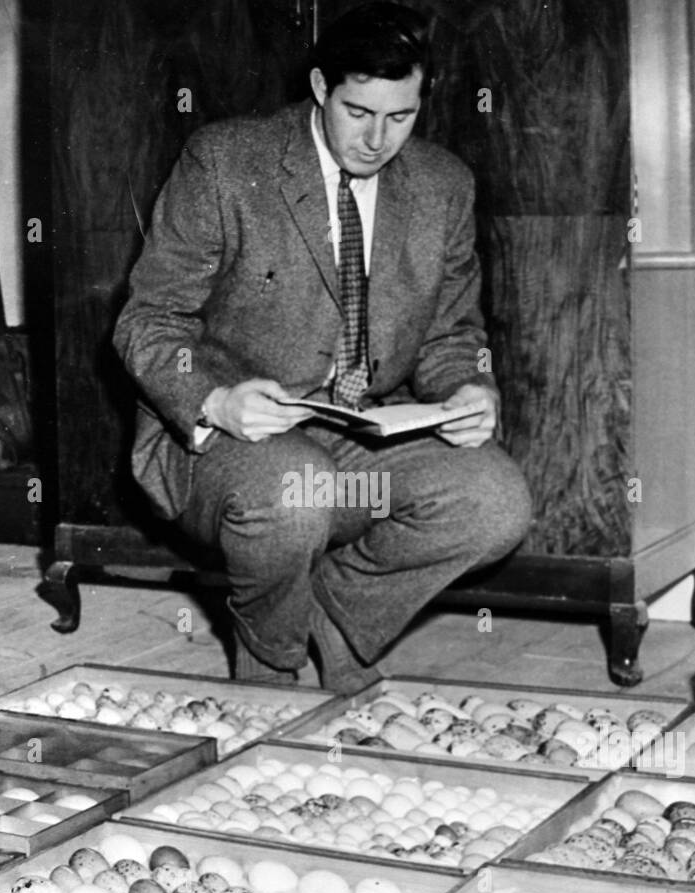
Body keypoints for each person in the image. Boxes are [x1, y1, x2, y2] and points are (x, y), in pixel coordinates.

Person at [114, 2, 532, 692]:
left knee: (494, 501)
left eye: (400, 117)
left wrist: (471, 390)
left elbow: (454, 336)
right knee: (293, 490)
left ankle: (329, 619)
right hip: (228, 439)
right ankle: (270, 663)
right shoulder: (225, 162)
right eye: (358, 112)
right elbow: (147, 321)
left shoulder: (443, 185)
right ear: (319, 88)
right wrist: (215, 400)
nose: (377, 140)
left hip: (359, 431)